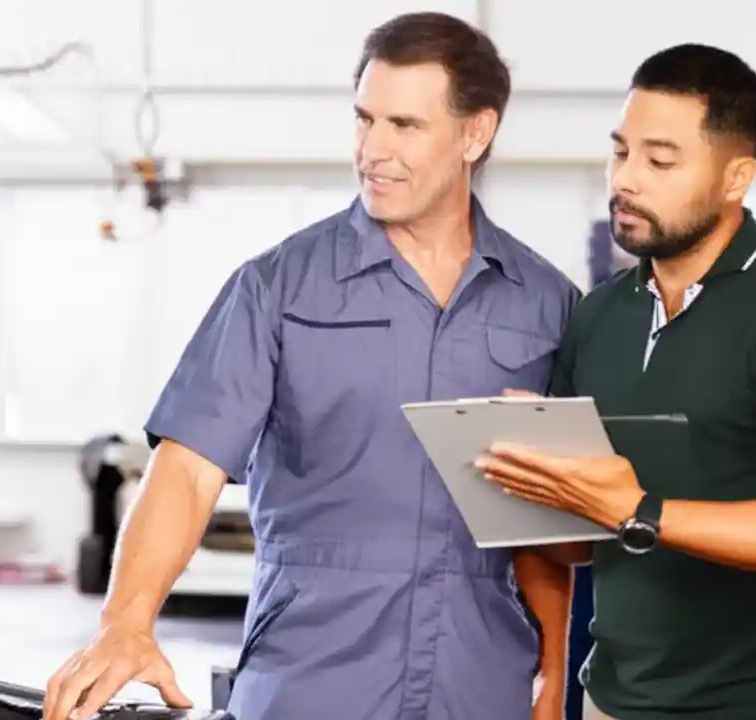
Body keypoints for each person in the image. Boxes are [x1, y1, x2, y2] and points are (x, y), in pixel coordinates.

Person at [42, 11, 583, 720]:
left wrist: (552, 675)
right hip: (312, 678)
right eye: (364, 120)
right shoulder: (277, 288)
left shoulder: (546, 302)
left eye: (405, 125)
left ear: (475, 133)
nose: (373, 150)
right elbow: (187, 468)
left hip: (479, 682)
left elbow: (542, 523)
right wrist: (127, 622)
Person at [478, 43, 756, 720]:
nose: (626, 179)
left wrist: (639, 511)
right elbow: (581, 542)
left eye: (660, 161)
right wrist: (527, 470)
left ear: (736, 177)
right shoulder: (599, 316)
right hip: (615, 699)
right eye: (620, 152)